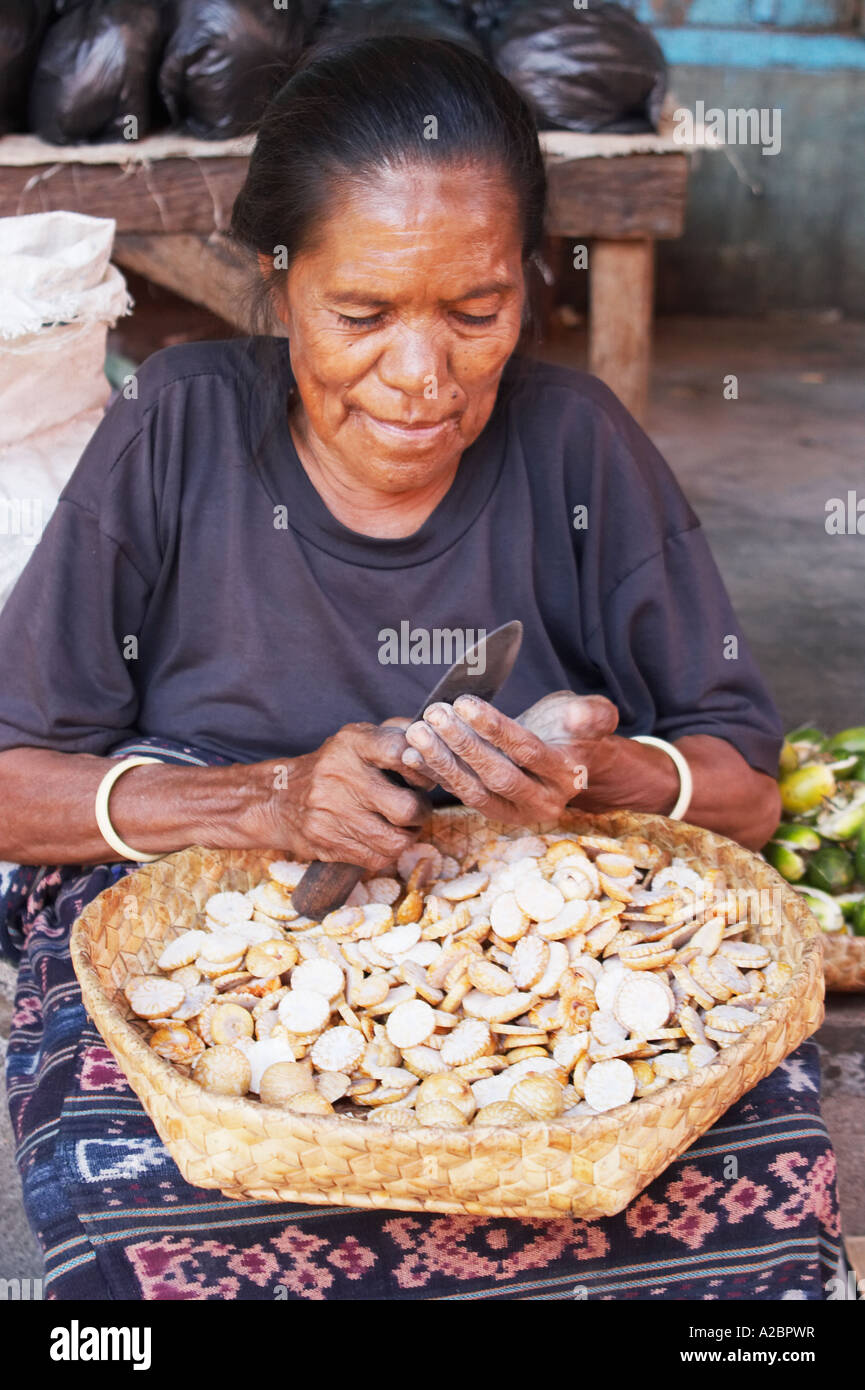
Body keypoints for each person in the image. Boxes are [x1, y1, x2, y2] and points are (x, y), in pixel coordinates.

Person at [0, 37, 840, 1301]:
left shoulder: (580, 452)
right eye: (361, 313)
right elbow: (13, 783)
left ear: (527, 288)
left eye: (475, 310)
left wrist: (599, 772)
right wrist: (258, 800)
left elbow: (746, 788)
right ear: (280, 289)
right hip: (225, 944)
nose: (422, 376)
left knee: (733, 1219)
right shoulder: (175, 426)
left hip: (520, 958)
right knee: (150, 1234)